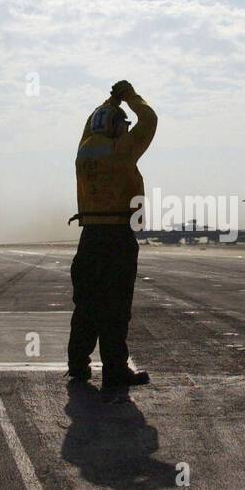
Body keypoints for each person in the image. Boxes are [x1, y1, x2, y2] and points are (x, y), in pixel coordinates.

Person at [67, 80, 156, 392]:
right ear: (117, 126)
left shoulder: (84, 150)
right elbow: (150, 120)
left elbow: (91, 123)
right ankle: (115, 371)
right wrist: (129, 96)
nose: (127, 127)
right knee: (115, 308)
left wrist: (110, 102)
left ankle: (78, 366)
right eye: (124, 123)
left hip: (89, 237)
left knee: (87, 304)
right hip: (117, 236)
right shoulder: (122, 151)